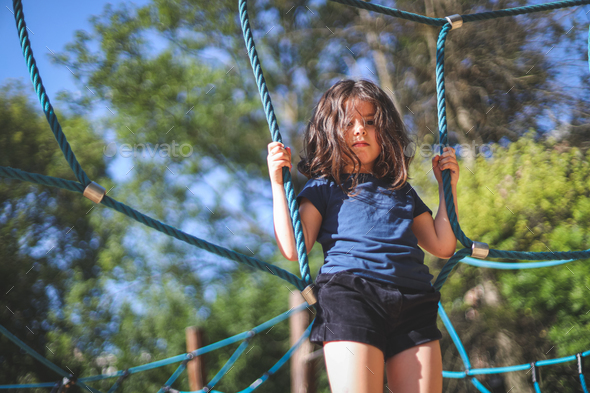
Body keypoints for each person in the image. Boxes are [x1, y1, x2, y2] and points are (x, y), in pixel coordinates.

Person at [267, 79, 459, 393]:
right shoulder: (324, 186)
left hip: (413, 301)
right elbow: (293, 246)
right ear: (330, 131)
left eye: (370, 122)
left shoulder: (402, 191)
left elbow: (443, 244)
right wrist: (278, 183)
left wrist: (446, 187)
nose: (360, 129)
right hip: (351, 295)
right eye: (349, 122)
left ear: (386, 132)